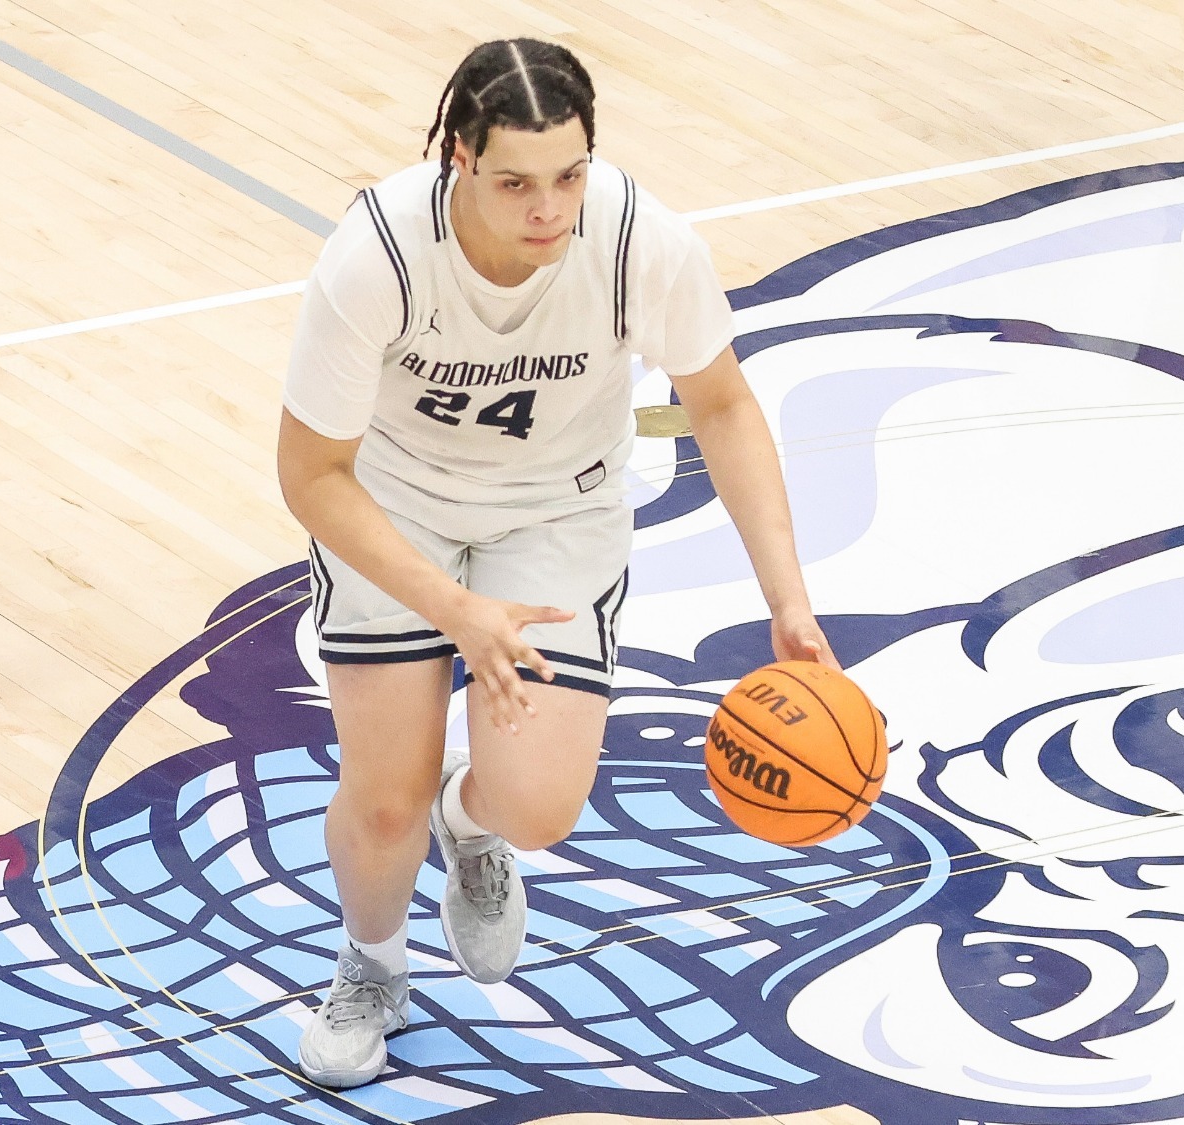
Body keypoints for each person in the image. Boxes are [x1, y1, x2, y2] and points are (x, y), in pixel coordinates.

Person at [277, 36, 837, 1089]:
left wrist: (789, 601)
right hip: (393, 512)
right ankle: (371, 967)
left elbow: (719, 402)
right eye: (515, 183)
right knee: (380, 798)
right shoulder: (378, 257)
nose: (548, 208)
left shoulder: (637, 242)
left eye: (569, 176)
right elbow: (310, 476)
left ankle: (469, 824)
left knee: (534, 809)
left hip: (554, 511)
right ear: (456, 159)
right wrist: (450, 607)